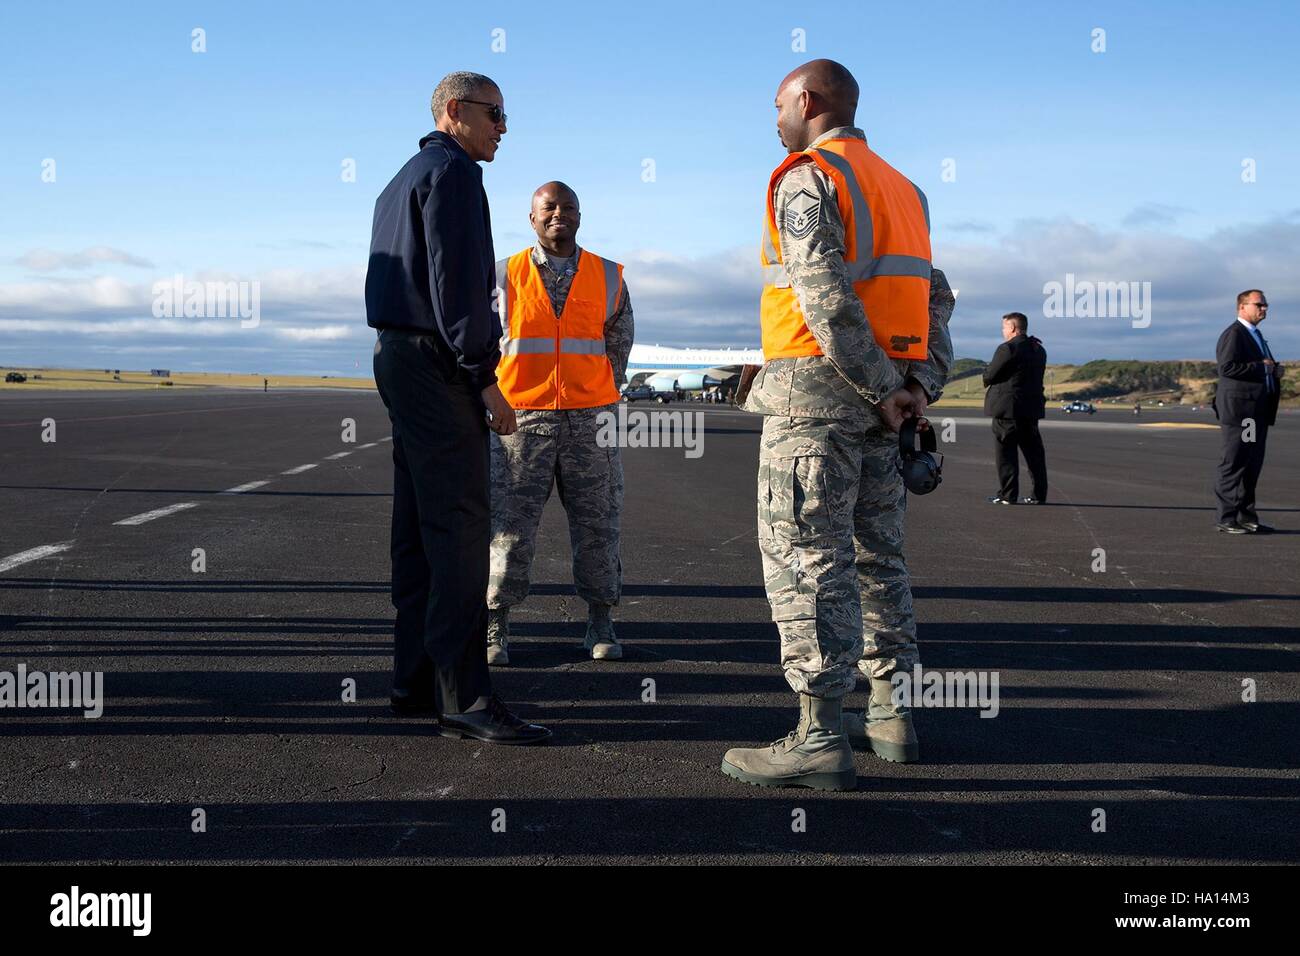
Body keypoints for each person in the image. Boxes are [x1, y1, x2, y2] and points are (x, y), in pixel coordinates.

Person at [721, 59, 955, 791]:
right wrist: (918, 385)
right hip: (885, 410)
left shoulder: (806, 175)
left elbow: (821, 296)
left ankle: (819, 734)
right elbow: (935, 297)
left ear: (807, 100)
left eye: (778, 105)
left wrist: (887, 388)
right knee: (877, 561)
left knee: (807, 564)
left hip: (816, 405)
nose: (775, 119)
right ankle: (890, 715)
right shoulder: (902, 188)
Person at [365, 71, 550, 744]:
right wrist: (484, 375)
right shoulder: (457, 176)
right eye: (495, 113)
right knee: (462, 532)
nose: (503, 126)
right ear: (454, 112)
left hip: (397, 356)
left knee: (416, 529)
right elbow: (459, 285)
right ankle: (466, 697)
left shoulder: (401, 178)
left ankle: (412, 681)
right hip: (439, 366)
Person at [486, 181, 634, 663]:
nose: (558, 214)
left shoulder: (608, 276)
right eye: (548, 208)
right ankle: (495, 624)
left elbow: (618, 342)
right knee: (508, 526)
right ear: (532, 218)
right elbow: (482, 342)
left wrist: (595, 393)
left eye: (568, 207)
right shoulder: (503, 275)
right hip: (519, 421)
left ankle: (600, 622)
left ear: (579, 215)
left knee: (599, 524)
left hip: (591, 421)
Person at [1212, 290, 1283, 534]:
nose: (1264, 309)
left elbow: (1260, 366)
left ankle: (1247, 516)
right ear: (1242, 307)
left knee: (1251, 464)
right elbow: (1227, 367)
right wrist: (1259, 366)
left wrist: (1275, 371)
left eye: (1266, 305)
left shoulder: (1256, 334)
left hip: (1256, 412)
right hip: (1241, 412)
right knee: (1235, 462)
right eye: (1259, 304)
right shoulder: (1234, 333)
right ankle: (1227, 517)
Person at [983, 312, 1048, 505]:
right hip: (1030, 410)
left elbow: (990, 376)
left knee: (1006, 455)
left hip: (1007, 410)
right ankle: (1039, 495)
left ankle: (1008, 495)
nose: (1003, 331)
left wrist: (987, 372)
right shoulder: (1038, 349)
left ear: (1012, 327)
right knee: (1034, 455)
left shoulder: (1008, 348)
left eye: (1004, 327)